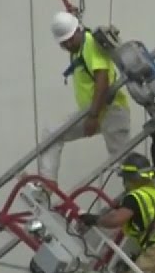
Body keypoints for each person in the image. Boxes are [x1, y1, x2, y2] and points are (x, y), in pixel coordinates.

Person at [37, 11, 133, 184]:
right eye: (64, 43)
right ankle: (47, 185)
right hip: (93, 112)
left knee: (125, 163)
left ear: (77, 31)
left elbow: (102, 80)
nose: (68, 44)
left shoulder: (89, 43)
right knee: (51, 133)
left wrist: (93, 116)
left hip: (110, 111)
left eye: (70, 39)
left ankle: (140, 193)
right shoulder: (79, 47)